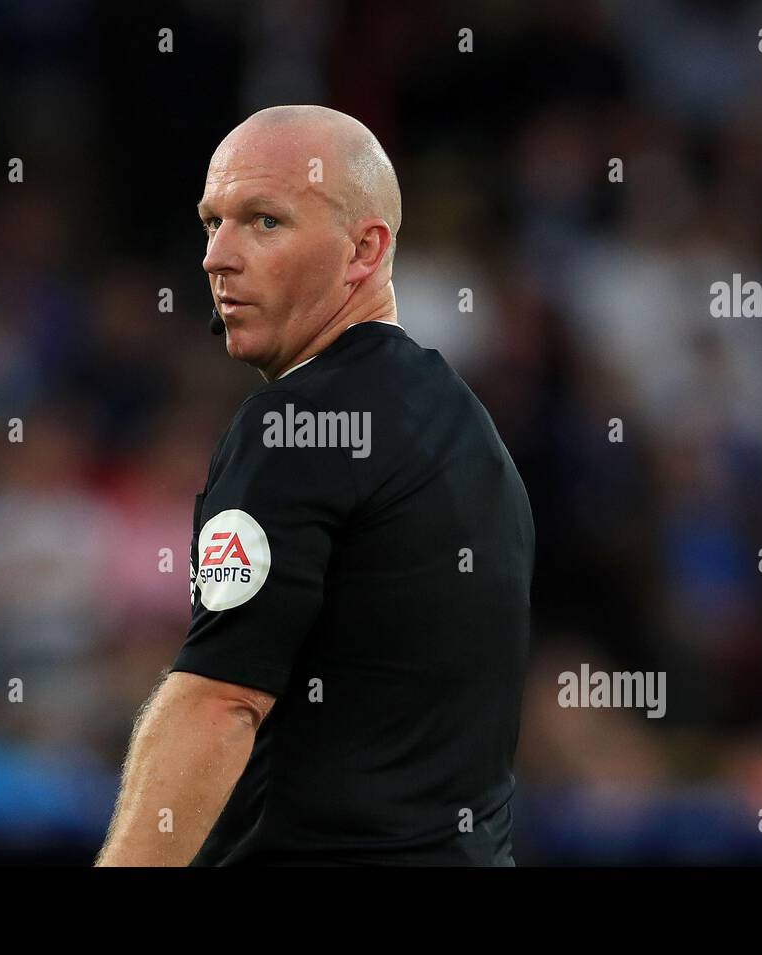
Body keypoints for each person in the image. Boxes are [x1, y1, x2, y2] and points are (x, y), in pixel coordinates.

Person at [95, 105, 534, 866]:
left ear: (365, 249)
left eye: (265, 222)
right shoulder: (472, 435)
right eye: (212, 222)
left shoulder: (295, 426)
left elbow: (220, 701)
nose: (217, 257)